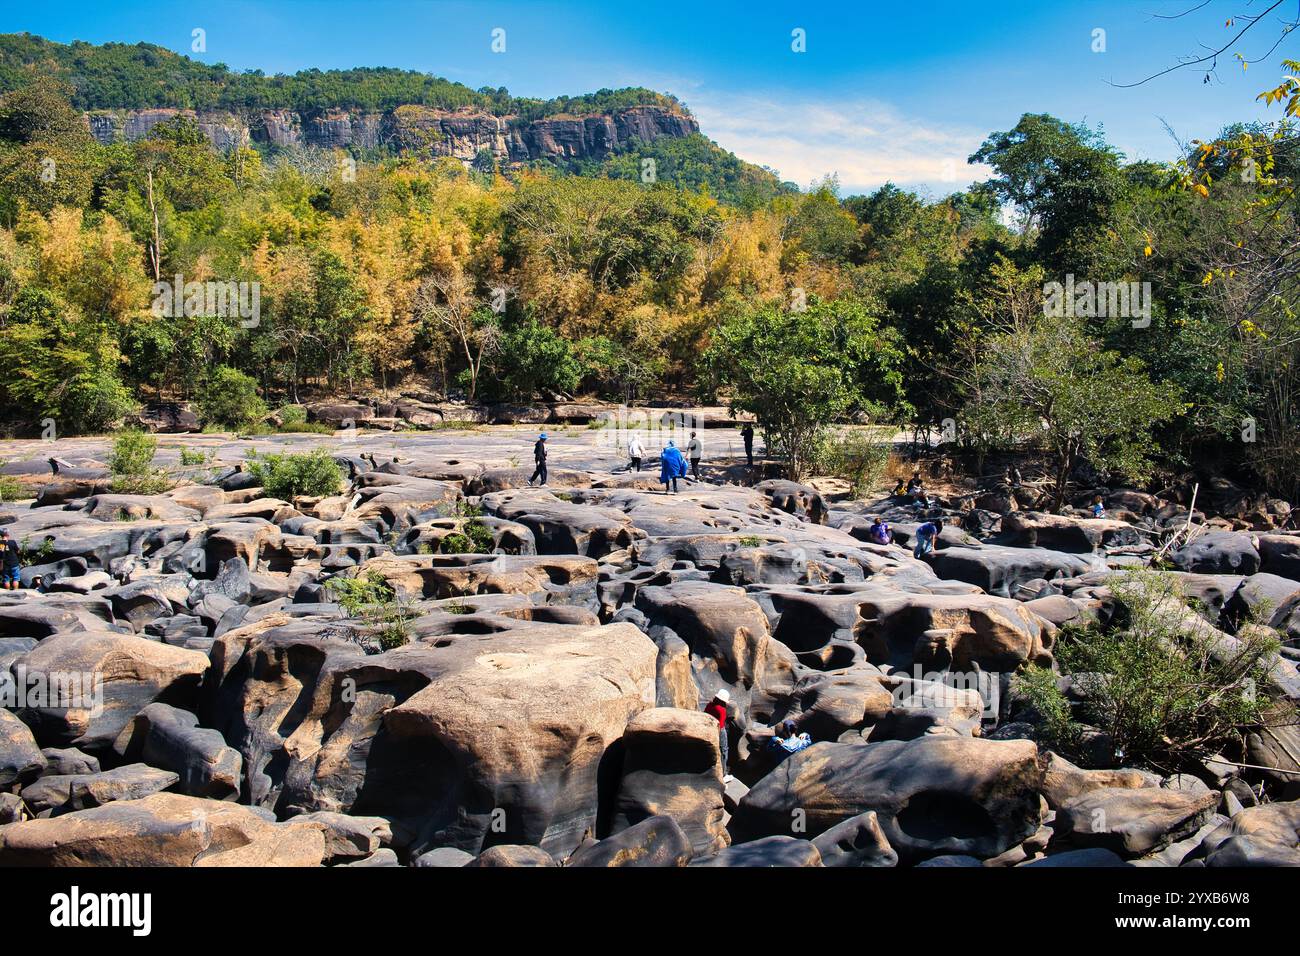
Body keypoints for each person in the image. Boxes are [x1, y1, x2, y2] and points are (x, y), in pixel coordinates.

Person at [704, 688, 731, 774]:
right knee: (724, 750)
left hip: (708, 728)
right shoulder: (721, 710)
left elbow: (705, 715)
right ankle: (723, 772)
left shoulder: (709, 705)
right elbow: (721, 724)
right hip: (720, 730)